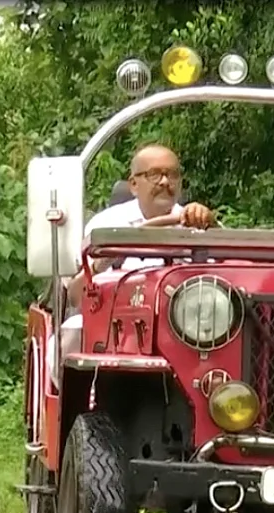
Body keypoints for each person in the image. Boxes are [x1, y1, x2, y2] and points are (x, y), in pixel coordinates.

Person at [49, 144, 216, 385]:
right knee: (72, 333)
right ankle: (72, 402)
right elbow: (76, 296)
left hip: (185, 324)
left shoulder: (196, 223)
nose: (164, 181)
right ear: (134, 184)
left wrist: (206, 222)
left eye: (172, 175)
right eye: (154, 174)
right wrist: (103, 260)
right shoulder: (106, 224)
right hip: (114, 325)